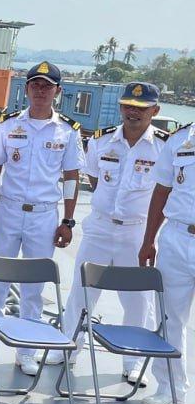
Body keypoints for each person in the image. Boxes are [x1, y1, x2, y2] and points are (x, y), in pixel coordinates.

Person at [46, 82, 168, 383]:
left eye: (141, 108)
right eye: (128, 106)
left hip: (137, 232)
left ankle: (133, 361)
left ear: (155, 111)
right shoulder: (101, 142)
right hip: (100, 228)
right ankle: (69, 348)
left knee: (138, 301)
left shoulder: (164, 147)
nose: (133, 112)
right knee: (82, 291)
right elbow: (95, 178)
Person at [0, 61, 84, 376]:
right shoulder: (8, 126)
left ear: (57, 92)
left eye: (47, 86)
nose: (40, 91)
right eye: (35, 84)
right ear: (27, 88)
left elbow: (72, 177)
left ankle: (27, 351)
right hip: (8, 210)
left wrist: (69, 220)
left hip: (44, 215)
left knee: (34, 287)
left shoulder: (67, 131)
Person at [138, 113, 195, 404]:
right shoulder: (179, 140)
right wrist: (149, 240)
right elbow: (162, 191)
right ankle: (170, 388)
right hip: (177, 237)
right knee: (171, 318)